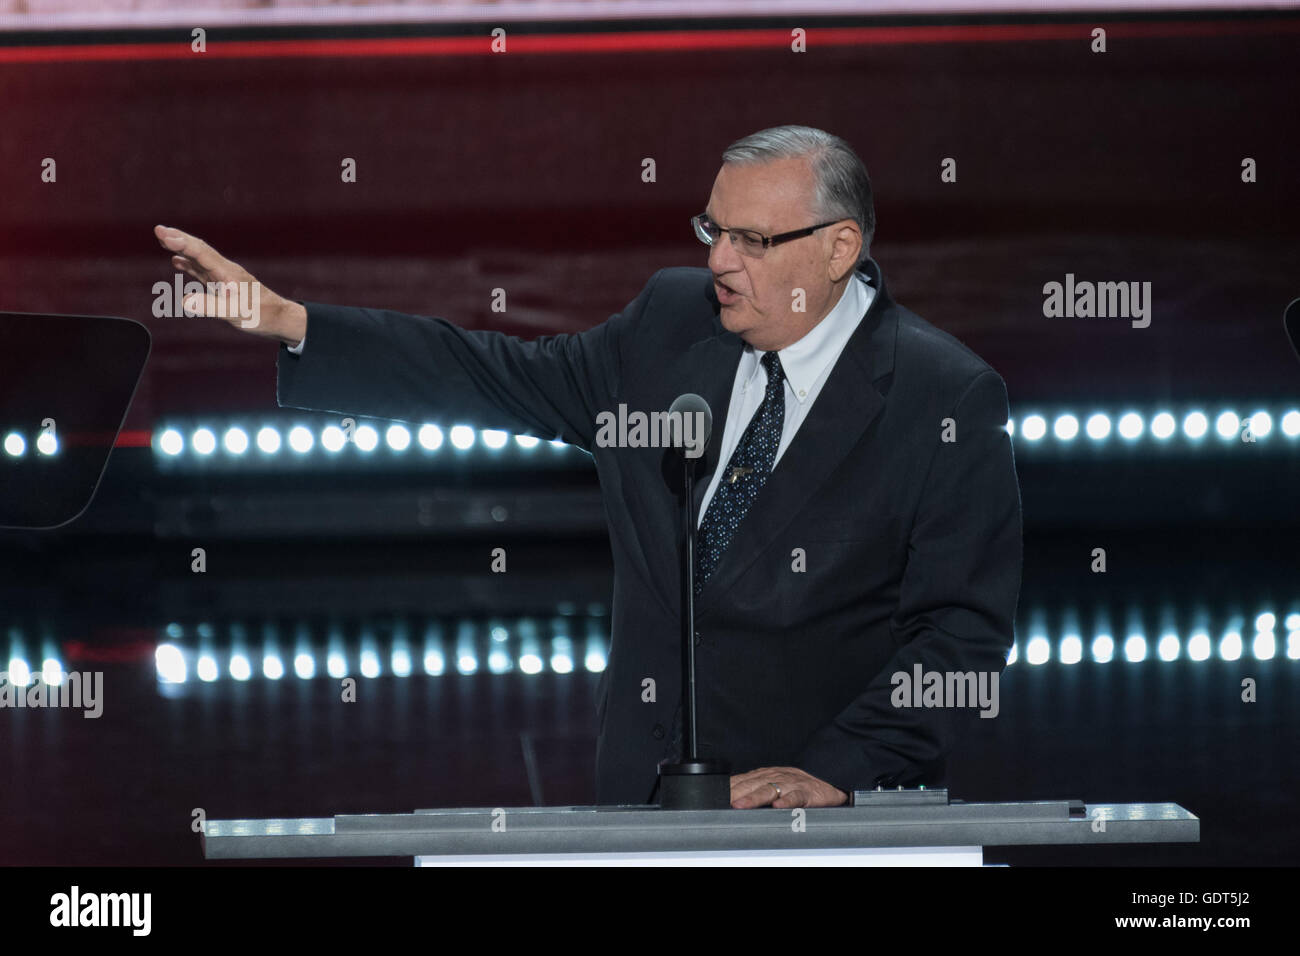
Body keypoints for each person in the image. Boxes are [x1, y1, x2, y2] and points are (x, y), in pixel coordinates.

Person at [154, 124, 1022, 809]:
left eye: (751, 240)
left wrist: (834, 769)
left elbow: (963, 640)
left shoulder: (941, 398)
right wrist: (289, 320)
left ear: (838, 250)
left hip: (822, 823)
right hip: (639, 806)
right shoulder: (669, 326)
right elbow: (490, 376)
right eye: (712, 229)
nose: (718, 260)